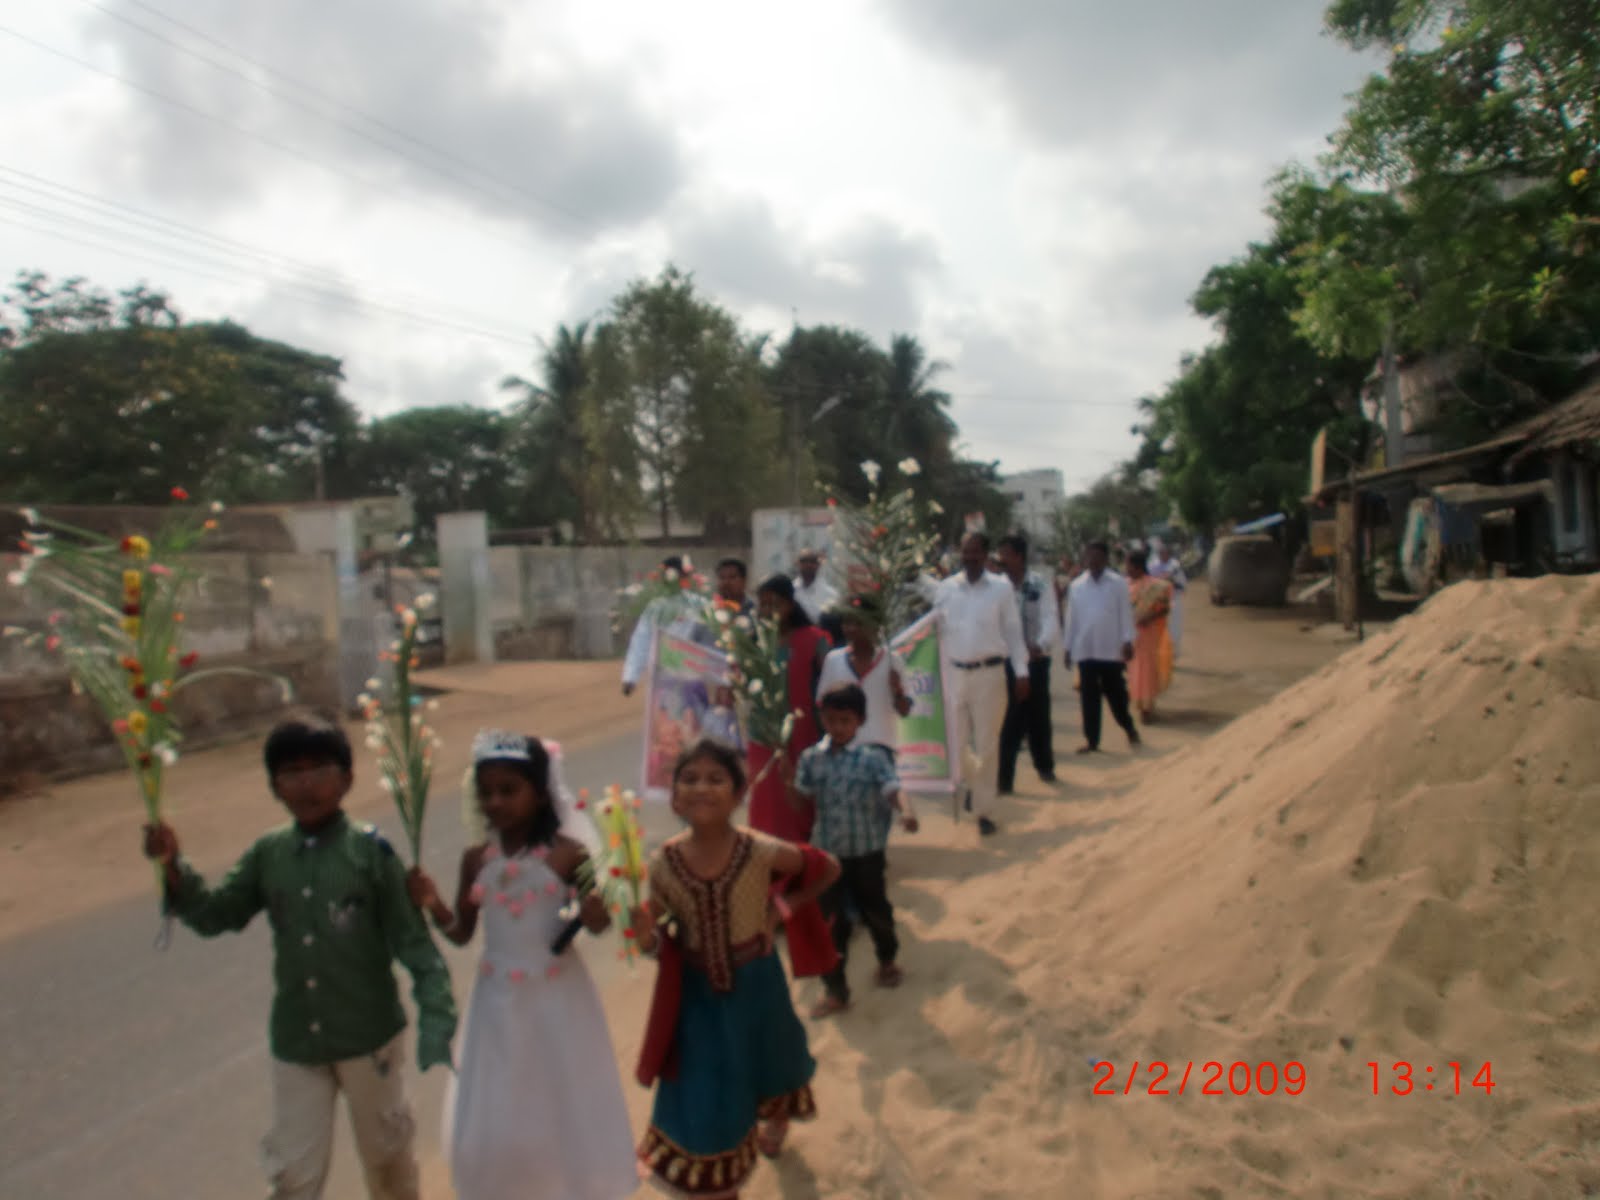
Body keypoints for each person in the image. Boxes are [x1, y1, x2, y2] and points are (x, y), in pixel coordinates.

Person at [142, 711, 456, 1200]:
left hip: (369, 1040)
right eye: (291, 773)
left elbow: (412, 941)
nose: (306, 784)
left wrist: (437, 1011)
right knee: (293, 1176)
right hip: (297, 1045)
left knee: (388, 1164)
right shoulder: (268, 855)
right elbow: (216, 914)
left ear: (346, 779)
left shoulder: (371, 854)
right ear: (274, 787)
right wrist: (173, 866)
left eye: (320, 770)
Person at [405, 731, 638, 1200]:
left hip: (557, 998)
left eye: (509, 790)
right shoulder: (476, 860)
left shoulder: (568, 853)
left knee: (560, 1094)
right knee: (502, 1105)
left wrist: (598, 910)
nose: (495, 802)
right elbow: (462, 932)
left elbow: (595, 924)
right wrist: (432, 904)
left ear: (540, 792)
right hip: (497, 1002)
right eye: (486, 792)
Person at [631, 739, 841, 1196]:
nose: (701, 788)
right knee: (707, 1092)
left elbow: (827, 868)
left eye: (715, 779)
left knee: (770, 1062)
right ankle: (722, 1178)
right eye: (689, 779)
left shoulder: (759, 849)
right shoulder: (663, 863)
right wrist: (646, 937)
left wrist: (780, 910)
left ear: (738, 794)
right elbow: (663, 942)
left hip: (757, 985)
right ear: (674, 797)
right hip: (697, 1001)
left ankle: (776, 1120)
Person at [794, 686, 919, 1018]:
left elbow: (893, 788)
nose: (837, 727)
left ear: (860, 721)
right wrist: (784, 779)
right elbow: (800, 800)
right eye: (830, 720)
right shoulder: (811, 758)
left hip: (867, 852)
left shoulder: (873, 758)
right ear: (822, 719)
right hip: (828, 856)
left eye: (845, 720)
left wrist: (906, 811)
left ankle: (887, 960)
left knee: (875, 909)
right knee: (832, 923)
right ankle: (836, 990)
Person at [933, 532, 1030, 837]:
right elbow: (936, 632)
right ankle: (977, 785)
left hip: (990, 674)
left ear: (986, 555)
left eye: (976, 552)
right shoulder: (946, 589)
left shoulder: (1001, 588)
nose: (970, 557)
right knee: (956, 743)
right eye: (966, 552)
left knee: (987, 744)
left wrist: (1022, 671)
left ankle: (984, 811)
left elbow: (1013, 631)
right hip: (955, 674)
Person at [750, 574, 834, 841]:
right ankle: (766, 854)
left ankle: (802, 854)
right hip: (763, 734)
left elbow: (833, 680)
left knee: (799, 795)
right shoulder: (752, 643)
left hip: (802, 731)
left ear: (789, 604)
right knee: (766, 797)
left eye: (775, 604)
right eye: (763, 605)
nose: (768, 611)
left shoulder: (816, 639)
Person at [995, 533, 1060, 793]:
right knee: (1008, 721)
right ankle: (1004, 779)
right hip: (1007, 662)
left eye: (1006, 554)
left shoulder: (1039, 584)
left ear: (1019, 557)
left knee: (1038, 717)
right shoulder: (997, 587)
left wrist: (1040, 645)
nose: (1001, 559)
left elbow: (1050, 617)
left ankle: (1045, 766)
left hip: (1035, 661)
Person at [1062, 541, 1141, 754]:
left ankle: (1129, 727)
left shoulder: (1117, 583)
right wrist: (1068, 647)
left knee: (1116, 695)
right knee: (1088, 698)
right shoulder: (1077, 586)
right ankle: (1092, 740)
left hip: (1110, 650)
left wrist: (1127, 641)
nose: (1093, 561)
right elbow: (1071, 619)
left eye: (1097, 557)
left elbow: (1125, 614)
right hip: (1086, 650)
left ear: (1105, 559)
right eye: (1089, 556)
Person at [816, 591, 913, 760]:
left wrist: (897, 691)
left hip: (881, 749)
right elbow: (822, 705)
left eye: (858, 623)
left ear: (874, 625)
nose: (850, 628)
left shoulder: (892, 661)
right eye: (847, 622)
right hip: (843, 750)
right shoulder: (834, 660)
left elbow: (905, 711)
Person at [622, 555, 713, 697]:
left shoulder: (698, 604)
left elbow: (711, 638)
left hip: (693, 675)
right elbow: (641, 642)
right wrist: (630, 677)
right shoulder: (656, 608)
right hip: (663, 677)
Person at [1125, 550, 1175, 723]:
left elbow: (1165, 608)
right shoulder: (1124, 585)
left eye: (1129, 565)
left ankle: (1147, 707)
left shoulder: (1156, 586)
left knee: (1146, 669)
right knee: (1134, 669)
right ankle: (1140, 704)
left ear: (1138, 567)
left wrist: (1150, 617)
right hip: (1130, 634)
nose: (1126, 569)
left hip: (1148, 632)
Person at [1149, 538, 1188, 660]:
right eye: (1161, 552)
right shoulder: (1152, 566)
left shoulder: (1175, 566)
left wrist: (1171, 581)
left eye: (1165, 552)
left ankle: (1173, 655)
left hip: (1173, 600)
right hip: (1156, 601)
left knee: (1174, 628)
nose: (1163, 555)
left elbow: (1182, 585)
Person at [793, 548, 841, 634]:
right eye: (804, 561)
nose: (808, 564)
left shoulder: (831, 594)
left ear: (819, 565)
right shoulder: (790, 591)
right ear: (797, 563)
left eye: (813, 561)